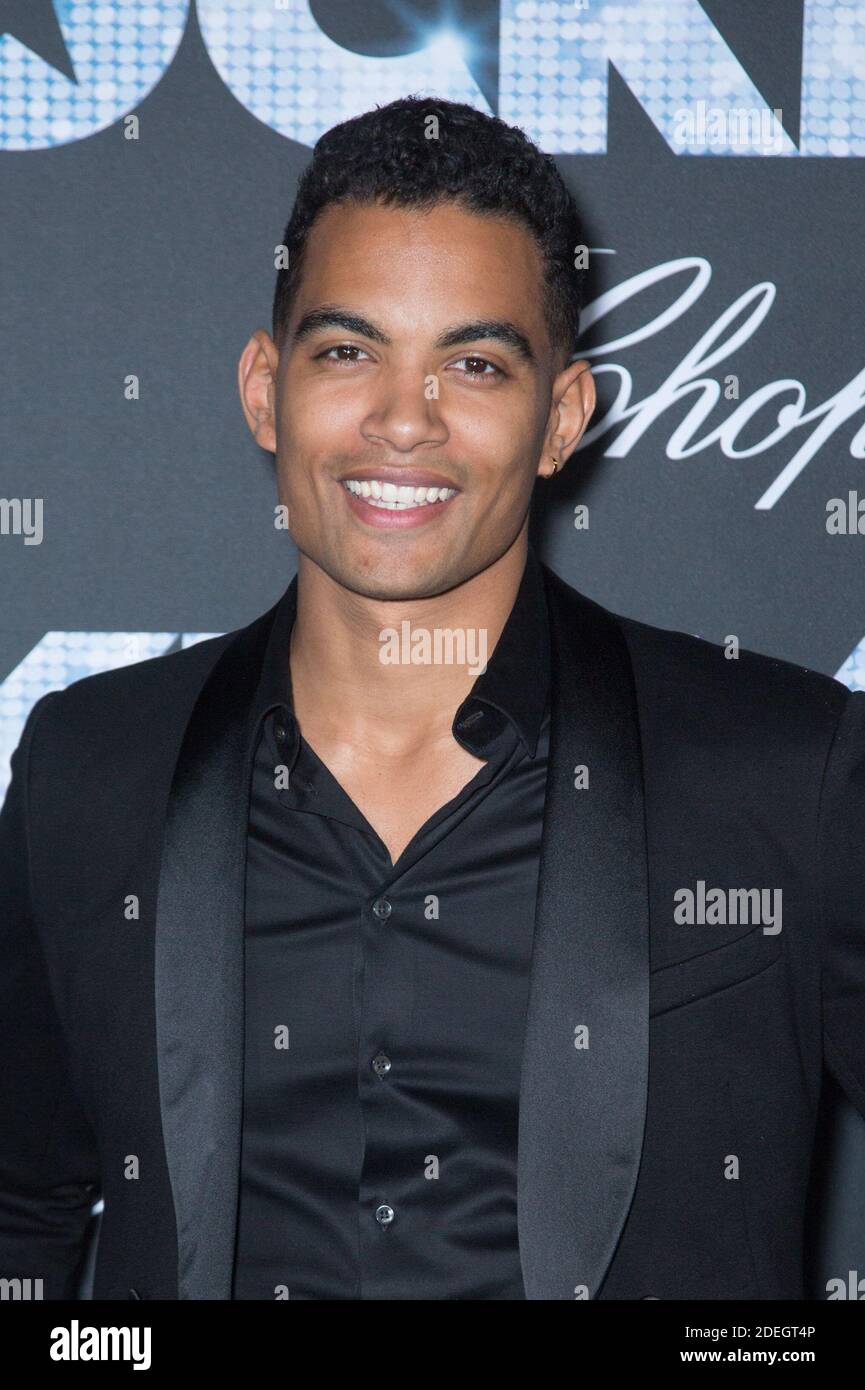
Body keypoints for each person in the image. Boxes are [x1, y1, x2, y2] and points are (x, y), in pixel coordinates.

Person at [1, 96, 863, 1302]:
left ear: (561, 417)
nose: (404, 421)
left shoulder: (784, 768)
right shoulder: (90, 768)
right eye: (349, 351)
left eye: (474, 362)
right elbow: (21, 1209)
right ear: (265, 387)